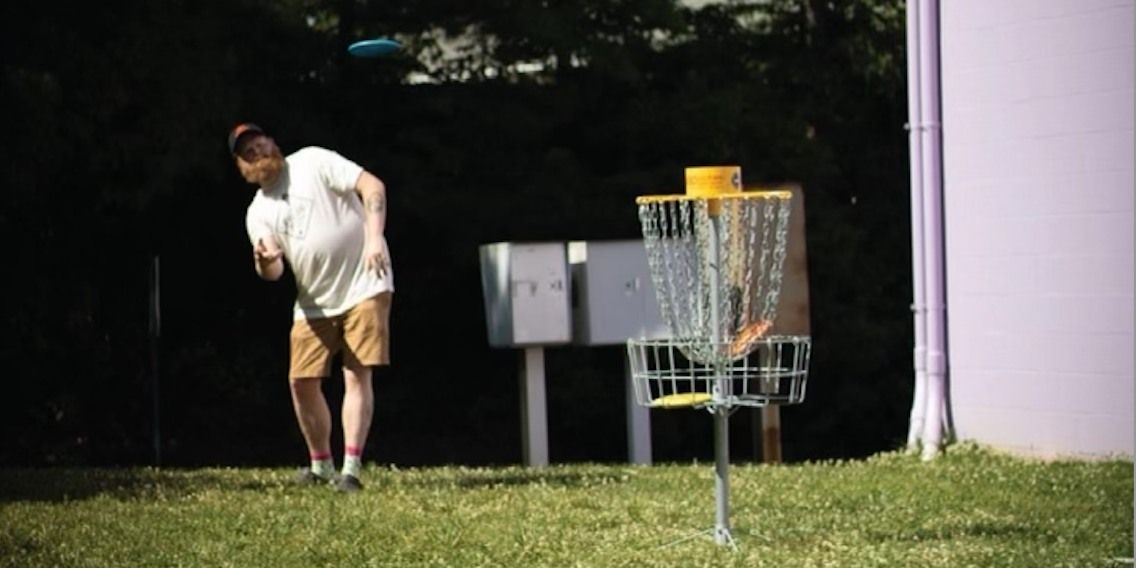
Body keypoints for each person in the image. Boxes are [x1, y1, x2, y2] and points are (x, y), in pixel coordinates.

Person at [229, 122, 393, 493]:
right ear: (243, 167)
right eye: (249, 151)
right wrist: (263, 260)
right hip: (314, 300)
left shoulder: (313, 162)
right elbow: (273, 272)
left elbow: (373, 186)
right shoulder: (258, 212)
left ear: (274, 141)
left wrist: (374, 239)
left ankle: (350, 469)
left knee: (356, 372)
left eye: (261, 141)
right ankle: (321, 465)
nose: (259, 151)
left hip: (365, 280)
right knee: (300, 382)